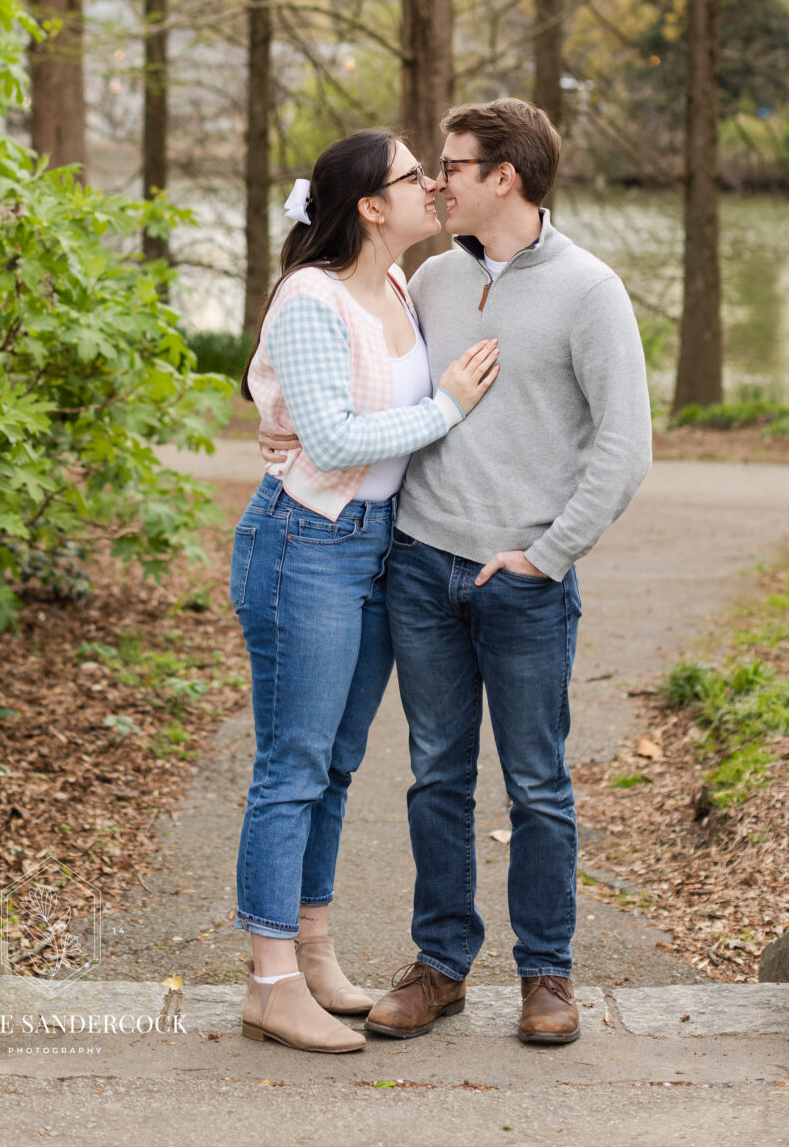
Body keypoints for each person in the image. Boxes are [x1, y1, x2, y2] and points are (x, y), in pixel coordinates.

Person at [261, 98, 652, 1046]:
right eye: (426, 169)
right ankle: (440, 964)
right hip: (418, 570)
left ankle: (545, 975)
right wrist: (275, 404)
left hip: (521, 581)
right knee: (434, 776)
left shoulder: (590, 291)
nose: (435, 182)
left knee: (537, 784)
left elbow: (624, 447)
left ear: (502, 178)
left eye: (453, 166)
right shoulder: (428, 279)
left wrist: (547, 554)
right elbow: (333, 357)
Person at [231, 128, 500, 1055]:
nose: (432, 185)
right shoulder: (309, 299)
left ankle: (310, 951)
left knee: (338, 762)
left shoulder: (394, 283)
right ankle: (267, 982)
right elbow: (338, 441)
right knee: (292, 766)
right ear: (371, 208)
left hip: (375, 548)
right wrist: (448, 407)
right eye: (412, 176)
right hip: (302, 545)